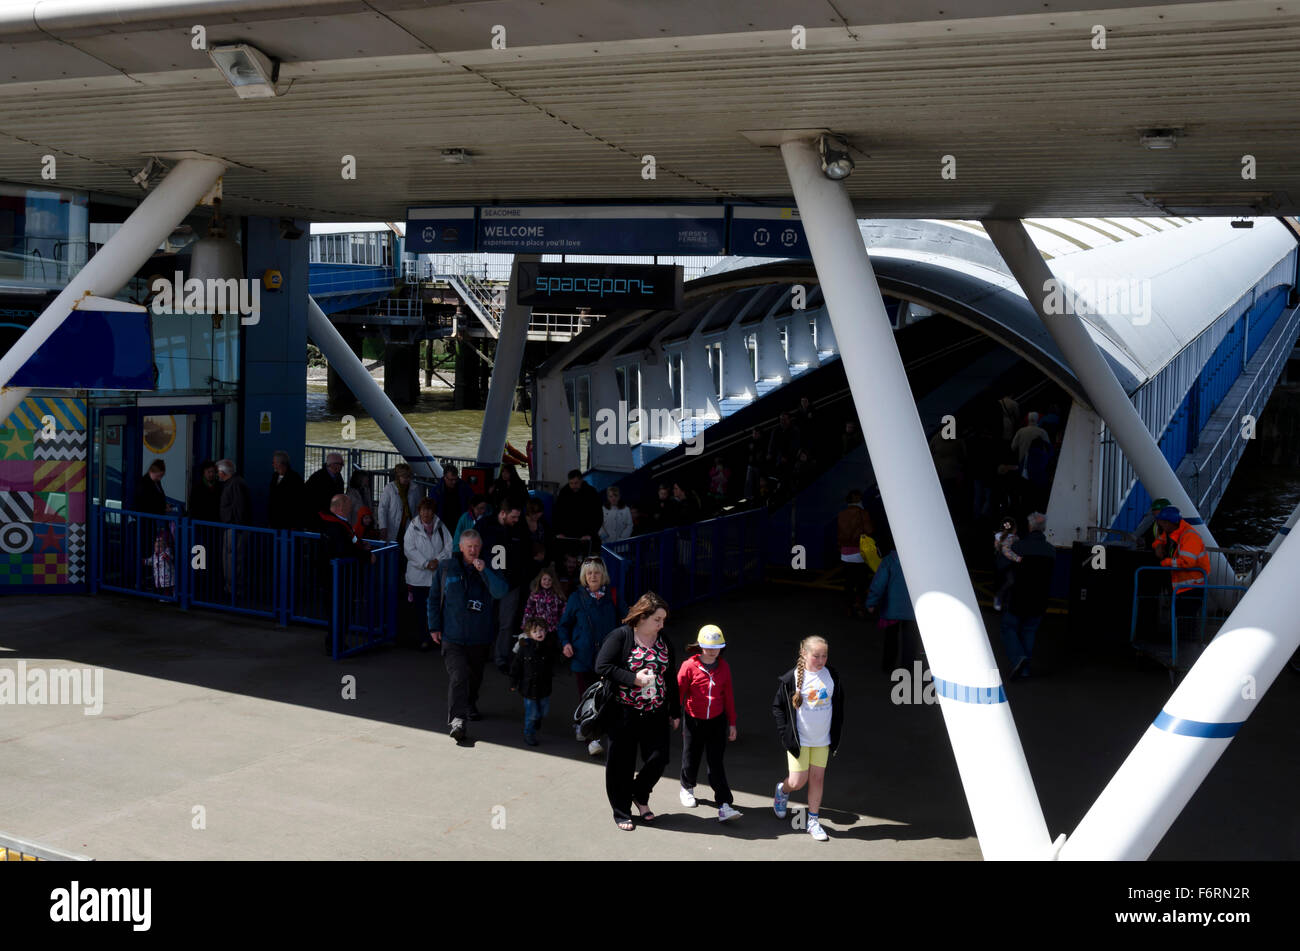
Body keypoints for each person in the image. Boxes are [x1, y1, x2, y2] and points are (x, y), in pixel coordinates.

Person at [595, 591, 680, 831]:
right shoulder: (621, 636)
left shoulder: (664, 641)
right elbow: (602, 665)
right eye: (657, 619)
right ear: (642, 617)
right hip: (624, 712)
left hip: (656, 711)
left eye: (663, 620)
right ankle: (621, 811)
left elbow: (670, 677)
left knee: (659, 758)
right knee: (621, 764)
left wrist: (675, 711)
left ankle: (639, 794)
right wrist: (633, 679)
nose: (661, 624)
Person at [427, 529, 509, 742]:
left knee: (475, 677)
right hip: (452, 636)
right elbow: (434, 598)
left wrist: (485, 572)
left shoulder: (489, 568)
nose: (473, 550)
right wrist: (434, 626)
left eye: (476, 546)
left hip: (480, 637)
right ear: (460, 547)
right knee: (458, 675)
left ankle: (470, 702)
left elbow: (500, 591)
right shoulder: (446, 568)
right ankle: (457, 720)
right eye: (469, 546)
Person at [772, 635, 844, 842]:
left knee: (817, 779)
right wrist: (785, 733)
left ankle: (813, 821)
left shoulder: (832, 676)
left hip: (822, 740)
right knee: (797, 782)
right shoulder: (791, 679)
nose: (821, 660)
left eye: (824, 656)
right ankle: (782, 790)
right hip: (800, 740)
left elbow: (839, 705)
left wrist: (835, 731)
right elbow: (778, 707)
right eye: (816, 656)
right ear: (804, 654)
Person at [557, 556, 625, 756]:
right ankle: (593, 739)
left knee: (604, 698)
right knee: (588, 698)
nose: (593, 576)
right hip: (582, 657)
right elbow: (564, 625)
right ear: (584, 577)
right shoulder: (576, 598)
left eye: (596, 572)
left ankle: (584, 726)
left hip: (607, 658)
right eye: (589, 573)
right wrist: (566, 643)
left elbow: (626, 621)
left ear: (602, 575)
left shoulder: (612, 595)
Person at [677, 624, 741, 822]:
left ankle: (724, 802)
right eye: (708, 647)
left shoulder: (724, 667)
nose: (713, 651)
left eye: (717, 647)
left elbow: (728, 695)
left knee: (716, 762)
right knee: (691, 756)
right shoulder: (689, 666)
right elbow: (678, 691)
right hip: (693, 720)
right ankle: (687, 787)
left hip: (717, 721)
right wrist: (674, 715)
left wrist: (732, 722)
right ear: (700, 646)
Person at [999, 512, 1055, 680]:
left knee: (1008, 628)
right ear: (1043, 529)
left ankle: (1018, 658)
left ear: (1030, 527)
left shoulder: (1018, 547)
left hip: (1018, 598)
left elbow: (1003, 565)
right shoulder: (1051, 551)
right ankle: (1024, 671)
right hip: (1039, 599)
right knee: (1029, 632)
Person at [475, 501, 530, 672]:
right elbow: (472, 546)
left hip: (511, 584)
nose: (516, 520)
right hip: (487, 581)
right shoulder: (484, 524)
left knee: (506, 623)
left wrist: (519, 579)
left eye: (518, 517)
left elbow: (526, 554)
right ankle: (480, 653)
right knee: (483, 618)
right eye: (513, 516)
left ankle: (501, 658)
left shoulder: (520, 529)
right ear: (503, 513)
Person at [1151, 505, 1211, 643]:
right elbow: (1161, 539)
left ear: (1169, 523)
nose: (1160, 526)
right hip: (1180, 586)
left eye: (1162, 523)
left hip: (1192, 587)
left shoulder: (1189, 536)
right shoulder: (1173, 531)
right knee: (1180, 617)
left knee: (1186, 619)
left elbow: (1187, 562)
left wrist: (1165, 562)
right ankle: (1180, 643)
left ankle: (1184, 648)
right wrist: (1158, 546)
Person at [402, 497, 453, 651]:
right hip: (417, 578)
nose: (426, 513)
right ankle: (423, 638)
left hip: (435, 577)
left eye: (429, 510)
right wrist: (425, 563)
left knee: (436, 608)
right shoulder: (412, 527)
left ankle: (435, 638)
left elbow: (449, 546)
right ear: (419, 511)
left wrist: (437, 561)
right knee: (420, 611)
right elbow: (409, 550)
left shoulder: (441, 526)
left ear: (433, 512)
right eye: (423, 510)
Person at [866, 540, 916, 676]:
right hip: (913, 609)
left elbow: (879, 584)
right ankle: (907, 670)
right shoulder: (919, 560)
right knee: (910, 640)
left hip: (891, 608)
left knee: (891, 638)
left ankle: (888, 666)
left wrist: (871, 603)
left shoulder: (889, 560)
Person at [510, 616, 558, 746]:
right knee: (531, 714)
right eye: (535, 631)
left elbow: (555, 661)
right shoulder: (524, 648)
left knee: (544, 710)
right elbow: (516, 666)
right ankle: (529, 734)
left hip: (544, 687)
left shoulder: (549, 647)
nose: (539, 633)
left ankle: (538, 719)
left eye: (541, 630)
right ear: (529, 634)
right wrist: (514, 682)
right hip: (529, 687)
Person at [217, 459, 252, 598]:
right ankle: (232, 587)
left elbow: (239, 508)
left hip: (234, 528)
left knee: (232, 559)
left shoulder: (234, 484)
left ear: (223, 472)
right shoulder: (236, 482)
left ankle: (233, 589)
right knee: (232, 559)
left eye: (218, 472)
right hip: (234, 527)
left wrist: (237, 526)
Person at [836, 489, 875, 618]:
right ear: (857, 499)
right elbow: (869, 530)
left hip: (845, 553)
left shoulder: (842, 514)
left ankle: (848, 608)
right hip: (859, 553)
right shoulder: (863, 513)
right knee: (861, 582)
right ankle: (860, 608)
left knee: (848, 582)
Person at [553, 469, 603, 555]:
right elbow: (557, 514)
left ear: (581, 480)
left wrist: (590, 534)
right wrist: (558, 532)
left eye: (576, 483)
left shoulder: (591, 492)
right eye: (571, 483)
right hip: (567, 536)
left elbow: (598, 516)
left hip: (586, 536)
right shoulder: (564, 492)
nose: (573, 486)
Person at [377, 462, 422, 544]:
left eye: (408, 477)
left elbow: (418, 509)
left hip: (409, 526)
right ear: (398, 477)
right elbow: (382, 509)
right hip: (392, 526)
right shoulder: (389, 488)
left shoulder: (415, 488)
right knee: (392, 550)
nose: (406, 479)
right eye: (403, 477)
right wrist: (383, 527)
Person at [521, 563, 565, 641]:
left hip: (553, 628)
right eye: (544, 579)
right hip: (539, 628)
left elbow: (563, 609)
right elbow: (529, 610)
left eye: (549, 580)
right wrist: (526, 625)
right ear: (540, 580)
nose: (547, 582)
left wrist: (562, 622)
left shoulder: (556, 595)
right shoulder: (535, 594)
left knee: (551, 645)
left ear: (553, 582)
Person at [267, 450, 304, 530]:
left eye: (274, 462)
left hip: (289, 523)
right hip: (275, 520)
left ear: (280, 463)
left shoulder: (295, 479)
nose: (273, 465)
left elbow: (298, 502)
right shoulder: (275, 476)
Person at [430, 464, 473, 534]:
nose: (454, 482)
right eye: (451, 480)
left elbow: (472, 502)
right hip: (442, 526)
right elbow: (432, 509)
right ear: (444, 477)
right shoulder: (436, 491)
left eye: (456, 479)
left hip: (460, 525)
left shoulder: (464, 487)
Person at [304, 452, 346, 520]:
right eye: (341, 464)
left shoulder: (338, 476)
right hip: (318, 515)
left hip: (330, 513)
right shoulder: (318, 477)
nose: (342, 466)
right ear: (333, 465)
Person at [993, 516, 1019, 612]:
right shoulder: (1014, 538)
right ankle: (1001, 599)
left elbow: (997, 548)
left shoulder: (998, 536)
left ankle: (999, 599)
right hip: (1009, 563)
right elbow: (1011, 552)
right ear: (1014, 529)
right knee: (1010, 582)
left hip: (1000, 563)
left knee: (1003, 582)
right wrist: (1018, 559)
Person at [522, 497, 553, 571]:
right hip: (526, 562)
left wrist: (545, 556)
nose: (536, 516)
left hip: (543, 562)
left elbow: (549, 542)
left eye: (539, 513)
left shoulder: (543, 524)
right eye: (533, 513)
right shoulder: (521, 524)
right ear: (528, 512)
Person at [345, 470, 376, 539]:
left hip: (367, 525)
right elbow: (348, 514)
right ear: (359, 479)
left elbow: (370, 507)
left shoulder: (366, 490)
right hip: (356, 527)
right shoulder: (351, 494)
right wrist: (349, 529)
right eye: (366, 478)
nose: (368, 479)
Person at [743, 428, 765, 499]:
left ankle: (759, 495)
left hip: (759, 465)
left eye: (756, 433)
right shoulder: (750, 441)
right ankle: (748, 496)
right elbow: (748, 452)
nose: (754, 435)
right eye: (753, 433)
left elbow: (761, 454)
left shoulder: (762, 442)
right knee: (748, 481)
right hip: (751, 464)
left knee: (758, 482)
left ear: (759, 434)